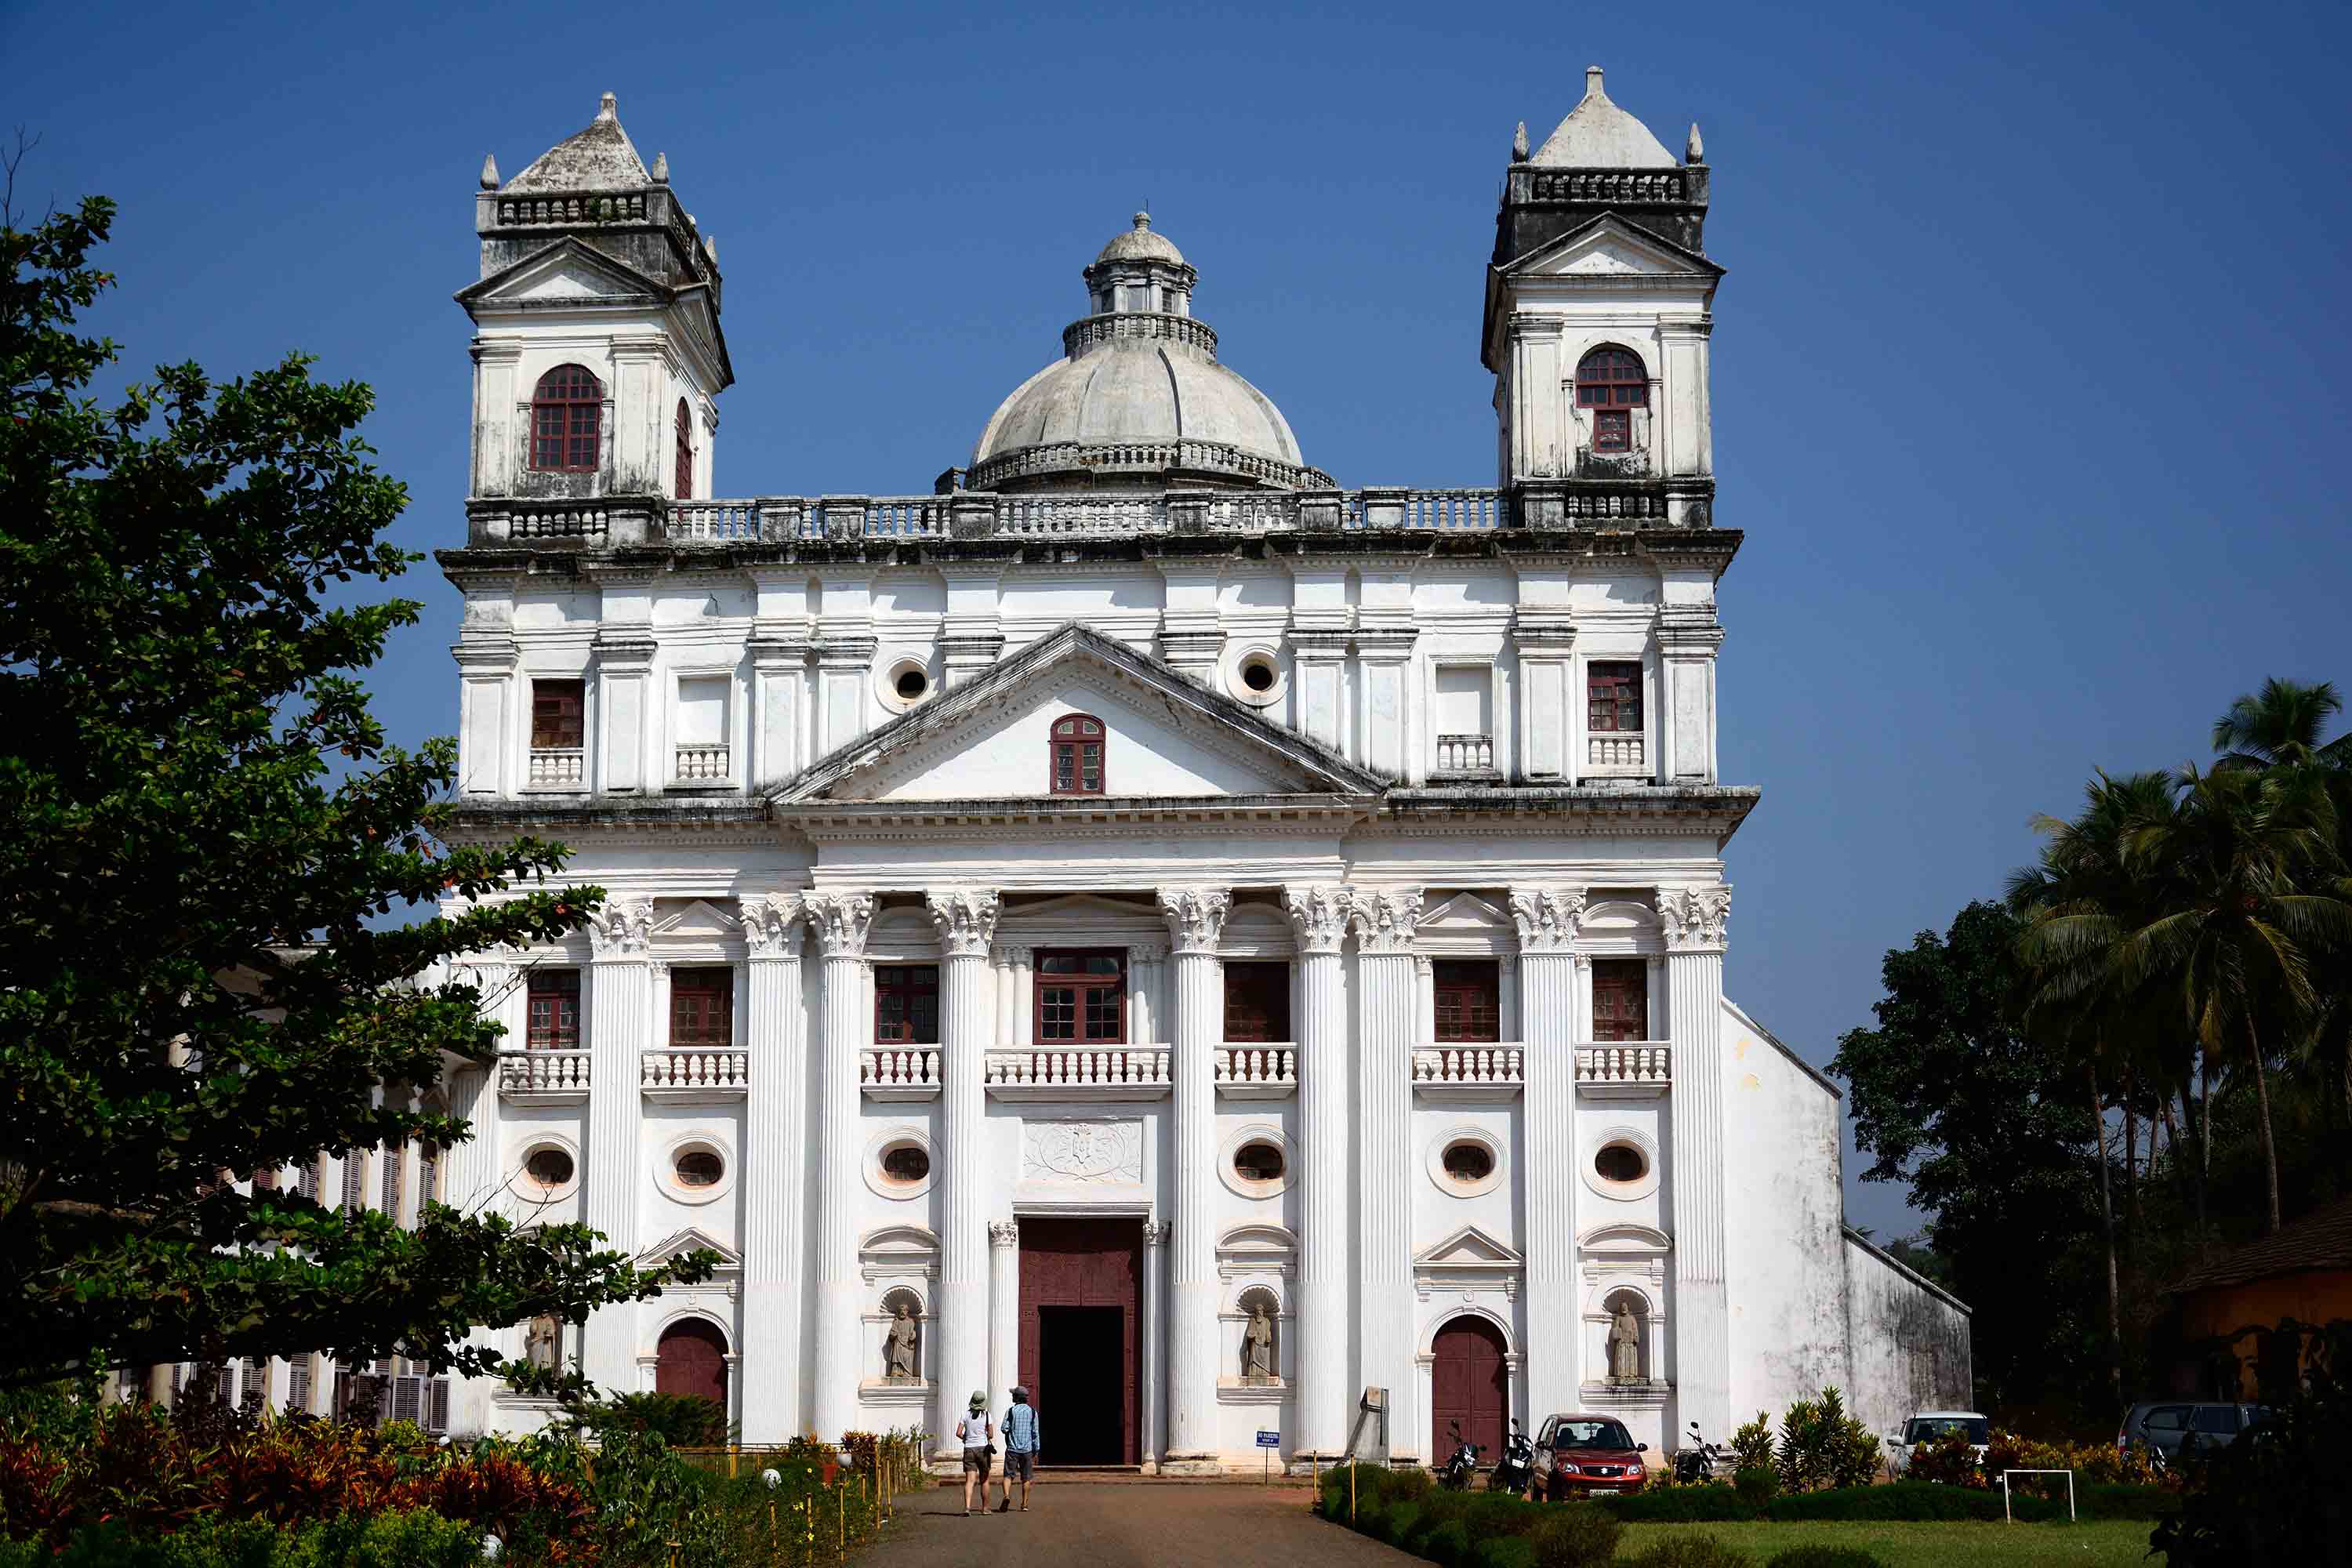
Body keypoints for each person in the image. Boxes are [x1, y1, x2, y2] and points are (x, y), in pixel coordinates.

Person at [996, 1385, 1041, 1512]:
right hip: (1027, 1450)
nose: (1012, 1396)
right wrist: (1036, 1449)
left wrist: (1011, 1429)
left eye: (1013, 1395)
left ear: (1016, 1397)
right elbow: (1035, 1432)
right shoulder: (1033, 1412)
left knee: (1008, 1475)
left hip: (1012, 1449)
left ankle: (1006, 1496)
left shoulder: (1010, 1411)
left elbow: (1004, 1428)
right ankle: (1025, 1504)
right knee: (1026, 1478)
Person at [956, 1389, 994, 1514]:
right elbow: (991, 1434)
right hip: (983, 1449)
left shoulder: (965, 1415)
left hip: (969, 1449)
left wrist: (965, 1439)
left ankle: (967, 1508)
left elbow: (958, 1433)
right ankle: (985, 1508)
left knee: (970, 1481)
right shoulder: (987, 1415)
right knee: (984, 1479)